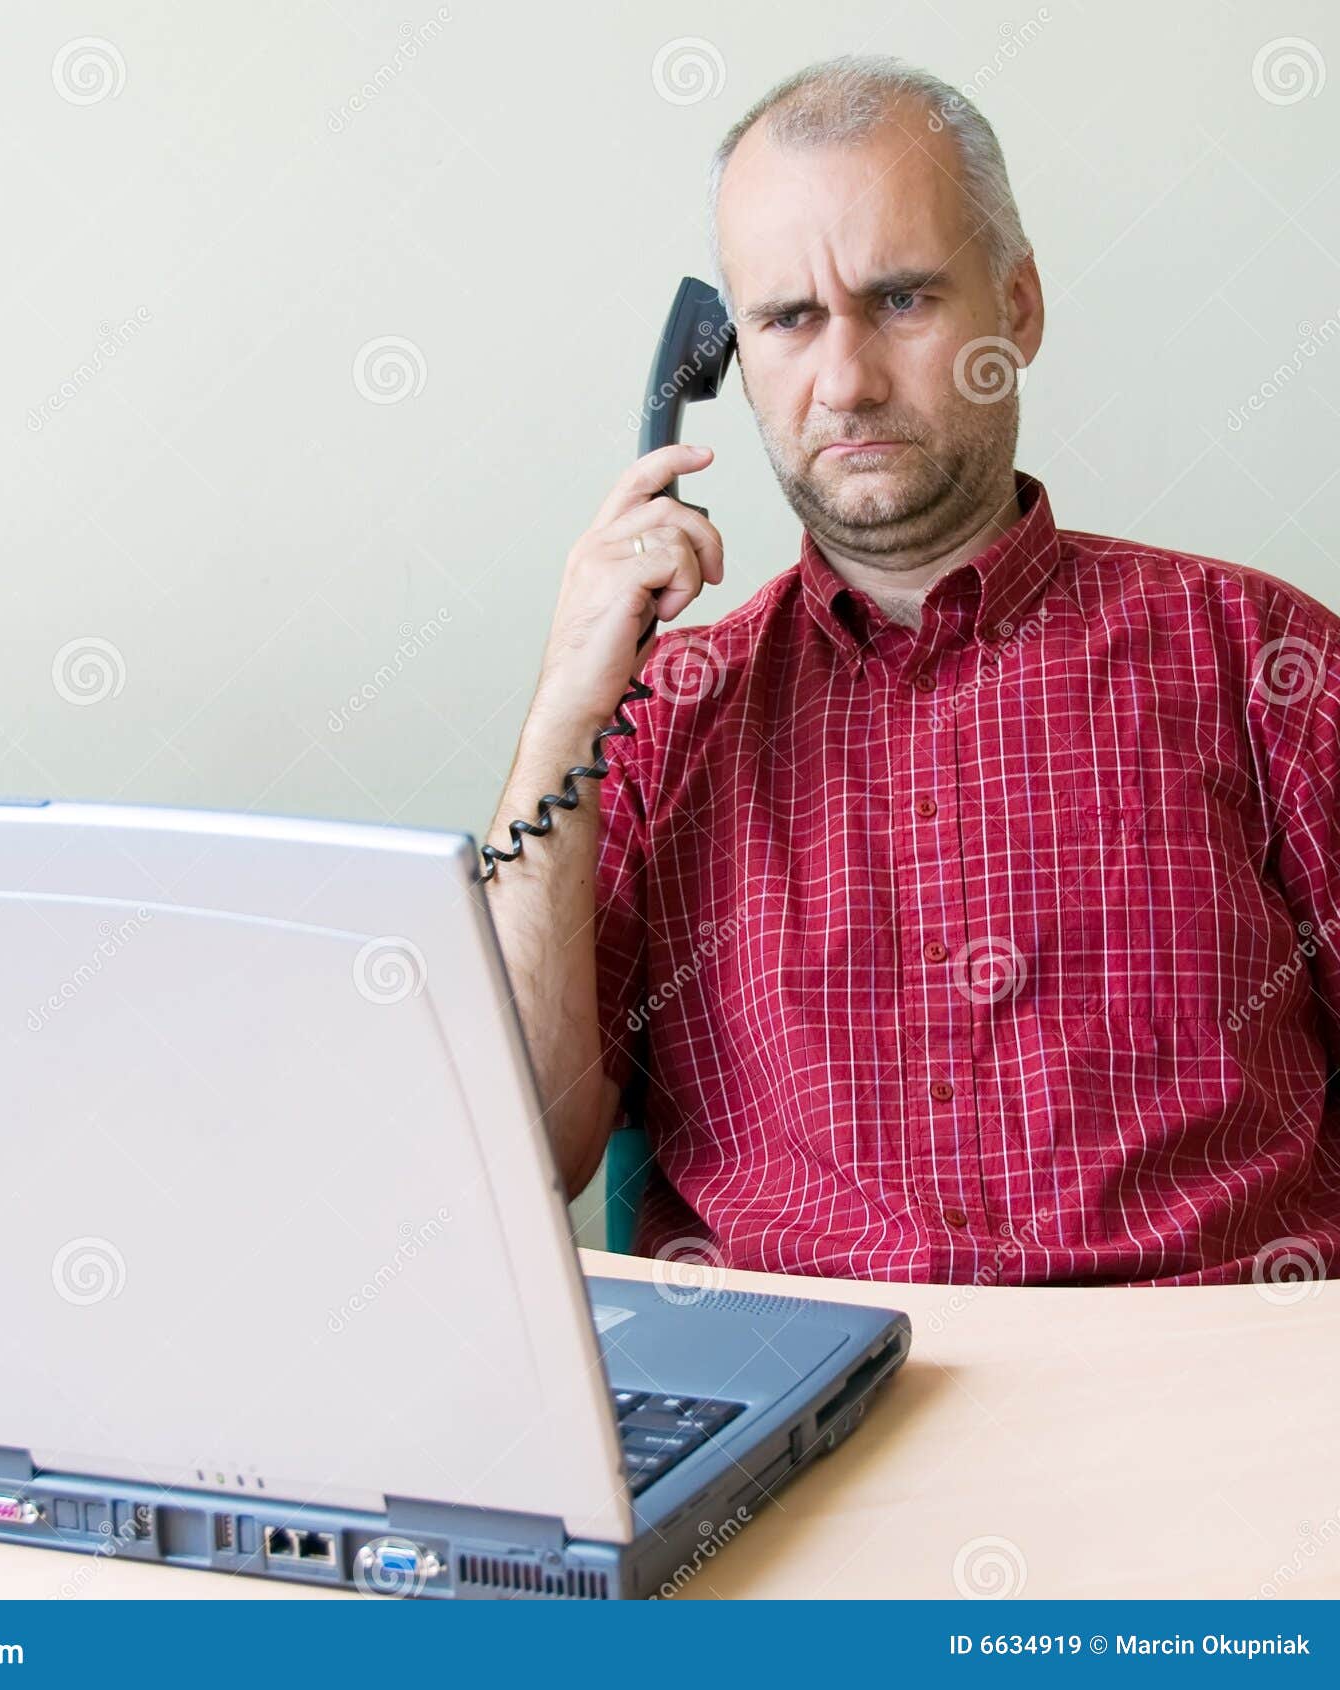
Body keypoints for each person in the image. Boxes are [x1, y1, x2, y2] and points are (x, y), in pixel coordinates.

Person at [484, 53, 1340, 1287]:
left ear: (1018, 307)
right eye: (788, 320)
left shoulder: (1263, 660)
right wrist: (566, 710)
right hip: (816, 1413)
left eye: (898, 300)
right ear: (725, 355)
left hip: (1217, 1403)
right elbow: (522, 1157)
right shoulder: (657, 720)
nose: (845, 382)